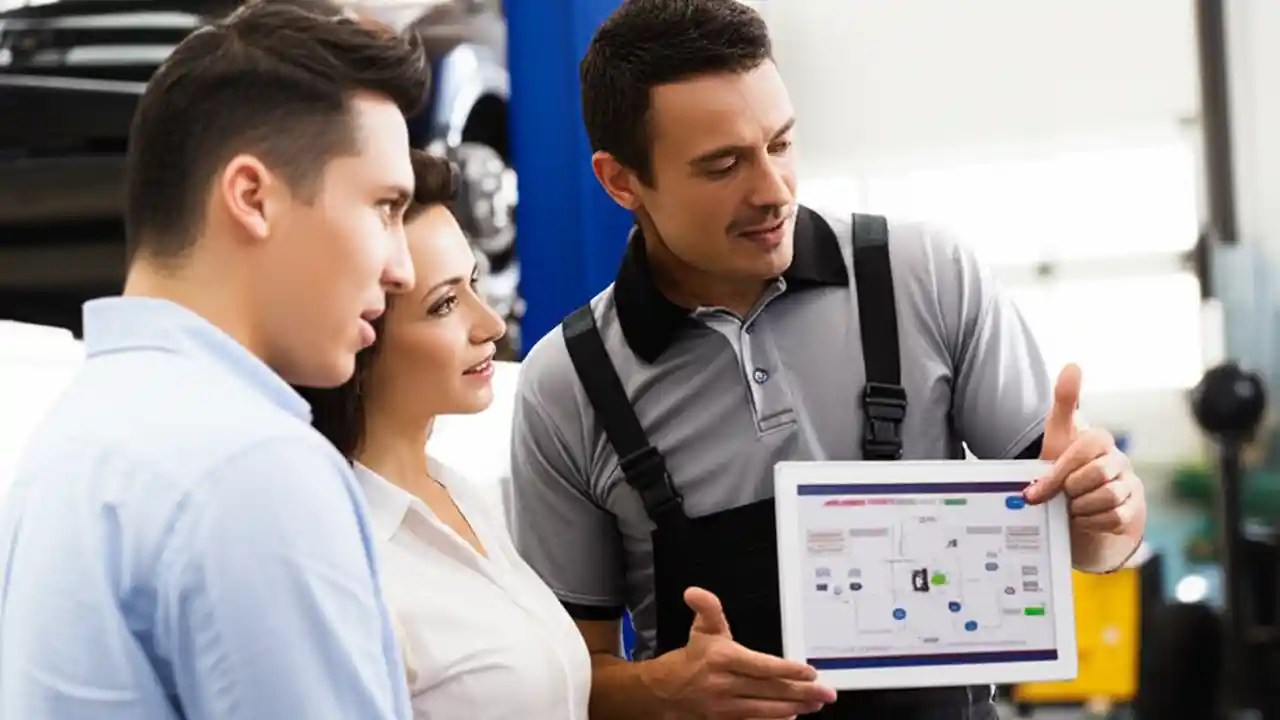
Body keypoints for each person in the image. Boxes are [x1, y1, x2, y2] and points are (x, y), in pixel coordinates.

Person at [510, 1, 1149, 719]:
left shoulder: (924, 276)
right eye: (723, 165)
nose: (772, 190)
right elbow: (560, 683)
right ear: (620, 181)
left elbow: (1098, 547)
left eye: (781, 144)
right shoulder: (566, 384)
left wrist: (1105, 509)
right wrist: (664, 690)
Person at [0, 2, 429, 718]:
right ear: (252, 197)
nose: (402, 268)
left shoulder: (77, 439)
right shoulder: (252, 463)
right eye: (385, 207)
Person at [296, 149, 592, 720]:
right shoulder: (346, 557)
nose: (490, 325)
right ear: (359, 335)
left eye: (474, 283)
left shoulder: (464, 494)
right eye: (445, 304)